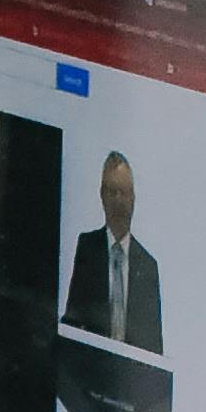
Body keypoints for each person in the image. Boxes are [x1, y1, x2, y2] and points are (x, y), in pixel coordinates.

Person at [64, 152, 163, 354]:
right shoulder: (87, 248)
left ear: (133, 199)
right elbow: (73, 322)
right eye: (112, 192)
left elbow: (154, 348)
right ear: (102, 196)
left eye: (124, 192)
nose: (119, 200)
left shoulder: (148, 266)